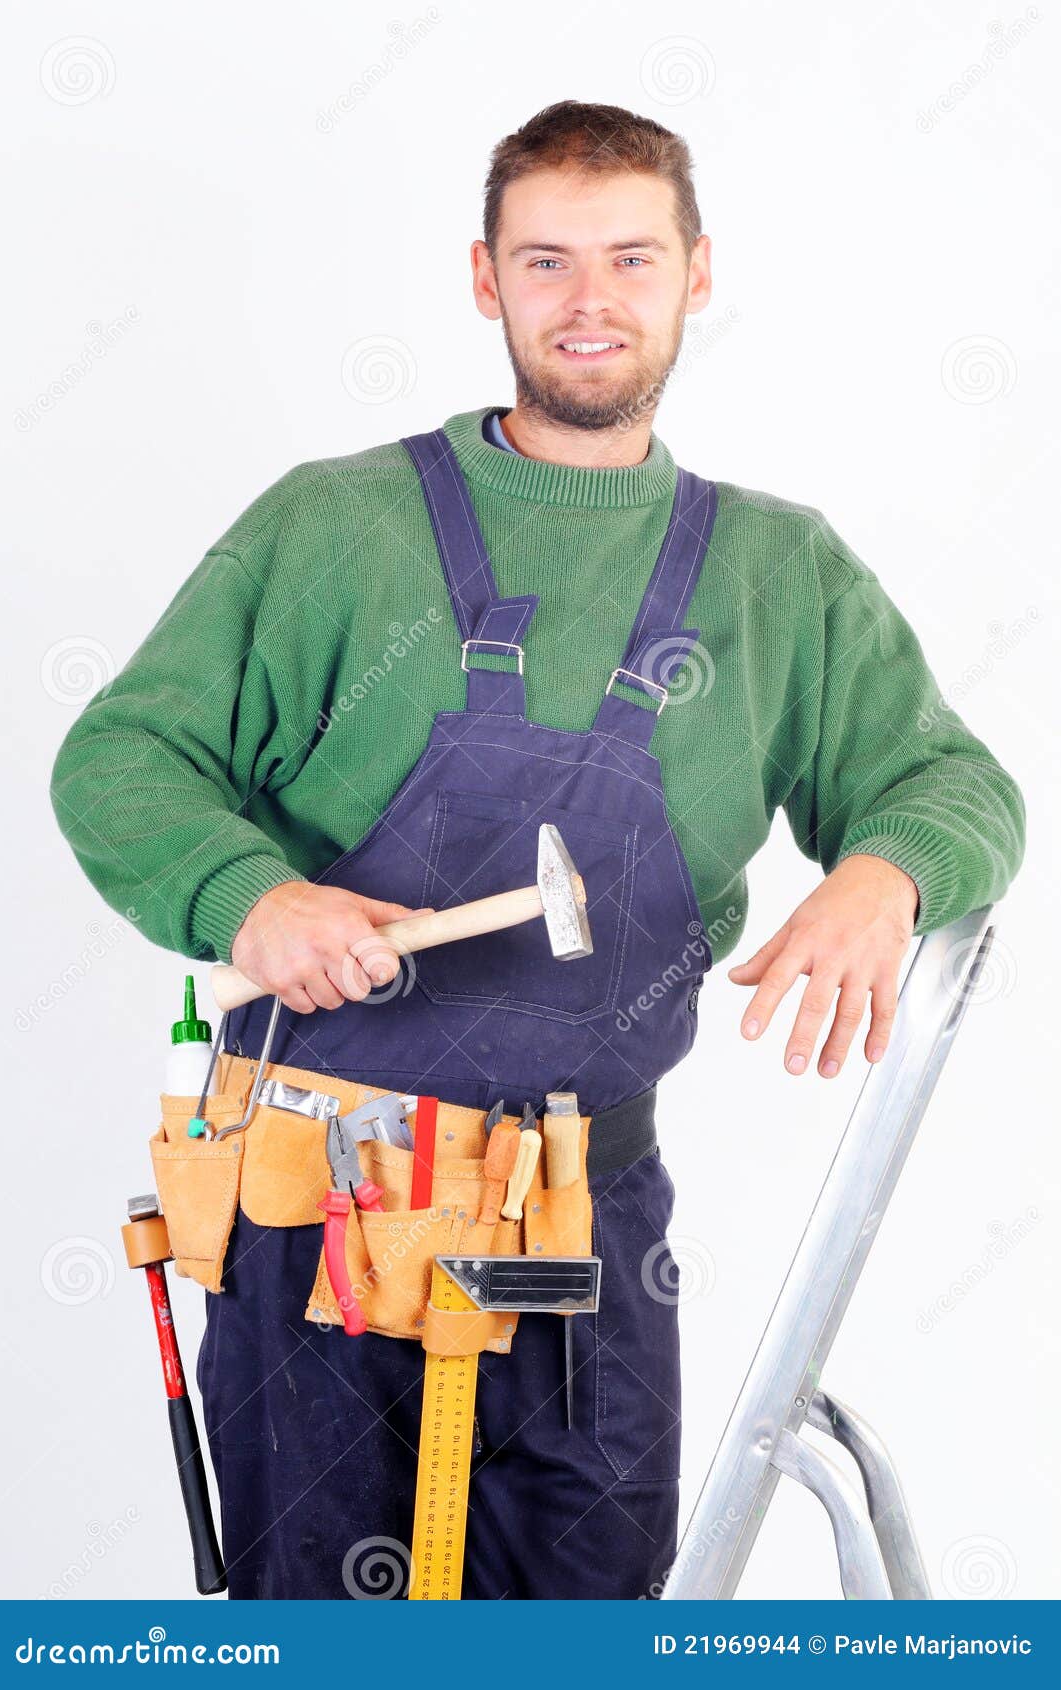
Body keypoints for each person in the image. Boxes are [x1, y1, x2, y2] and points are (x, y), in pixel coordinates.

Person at [50, 100, 1025, 1600]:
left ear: (695, 276)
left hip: (588, 1227)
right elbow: (122, 758)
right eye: (547, 261)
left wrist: (885, 873)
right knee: (325, 1640)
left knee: (585, 1636)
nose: (589, 302)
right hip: (320, 1212)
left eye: (629, 259)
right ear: (483, 278)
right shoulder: (334, 527)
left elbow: (950, 781)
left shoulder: (779, 574)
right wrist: (248, 899)